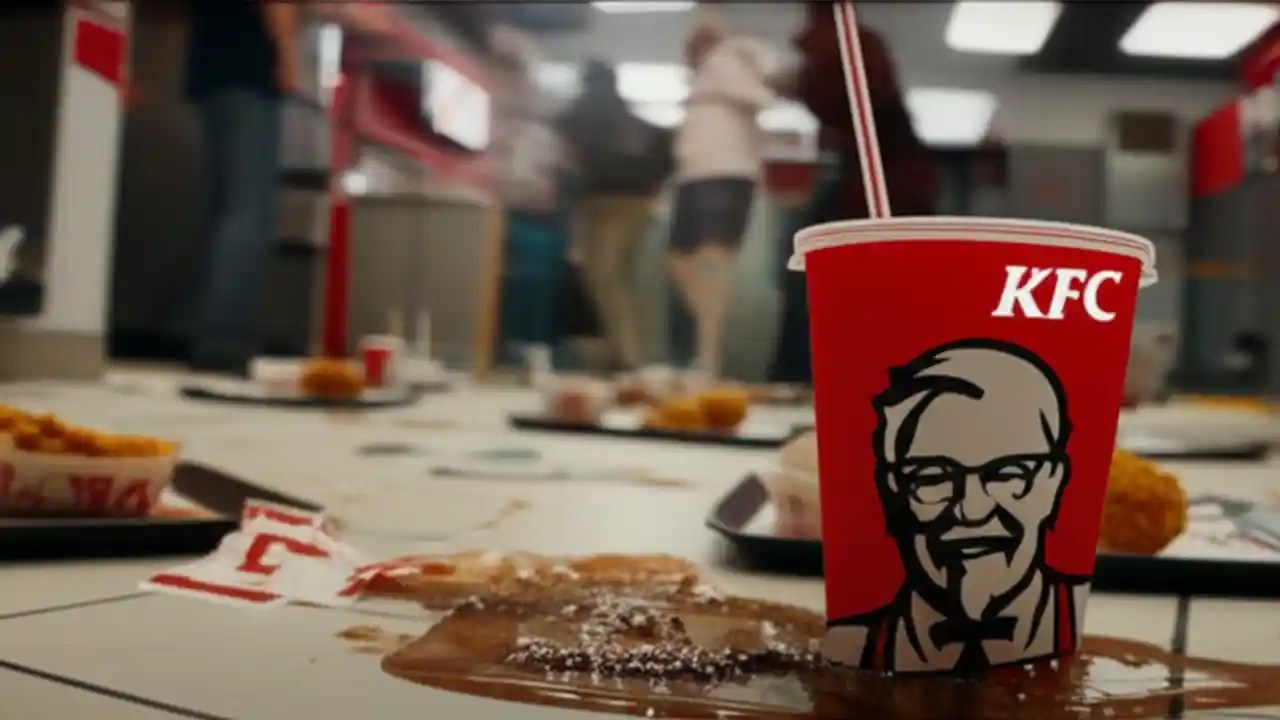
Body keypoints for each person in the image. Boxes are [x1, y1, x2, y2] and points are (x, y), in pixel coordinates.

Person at [824, 340, 1088, 673]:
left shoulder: (1096, 624)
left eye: (1007, 474)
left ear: (1053, 481)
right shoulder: (850, 648)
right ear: (894, 491)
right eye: (934, 477)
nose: (973, 510)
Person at [770, 2, 937, 383]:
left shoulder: (845, 44)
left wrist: (795, 82)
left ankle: (813, 376)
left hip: (879, 185)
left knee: (824, 282)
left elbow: (843, 92)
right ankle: (837, 376)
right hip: (879, 181)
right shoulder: (854, 44)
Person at [183, 0, 302, 373]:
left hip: (213, 70)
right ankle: (224, 340)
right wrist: (287, 53)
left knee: (228, 211)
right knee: (248, 214)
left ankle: (206, 332)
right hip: (248, 73)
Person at [668, 13, 775, 378]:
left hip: (727, 172)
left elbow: (761, 97)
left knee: (713, 264)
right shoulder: (702, 77)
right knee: (680, 261)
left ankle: (707, 361)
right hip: (694, 175)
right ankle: (708, 340)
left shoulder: (727, 61)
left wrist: (718, 82)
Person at [559, 61, 672, 371]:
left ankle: (626, 355)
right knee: (620, 277)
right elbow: (666, 155)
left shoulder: (584, 111)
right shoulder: (636, 122)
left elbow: (566, 138)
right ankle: (622, 349)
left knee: (604, 277)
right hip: (639, 202)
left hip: (604, 201)